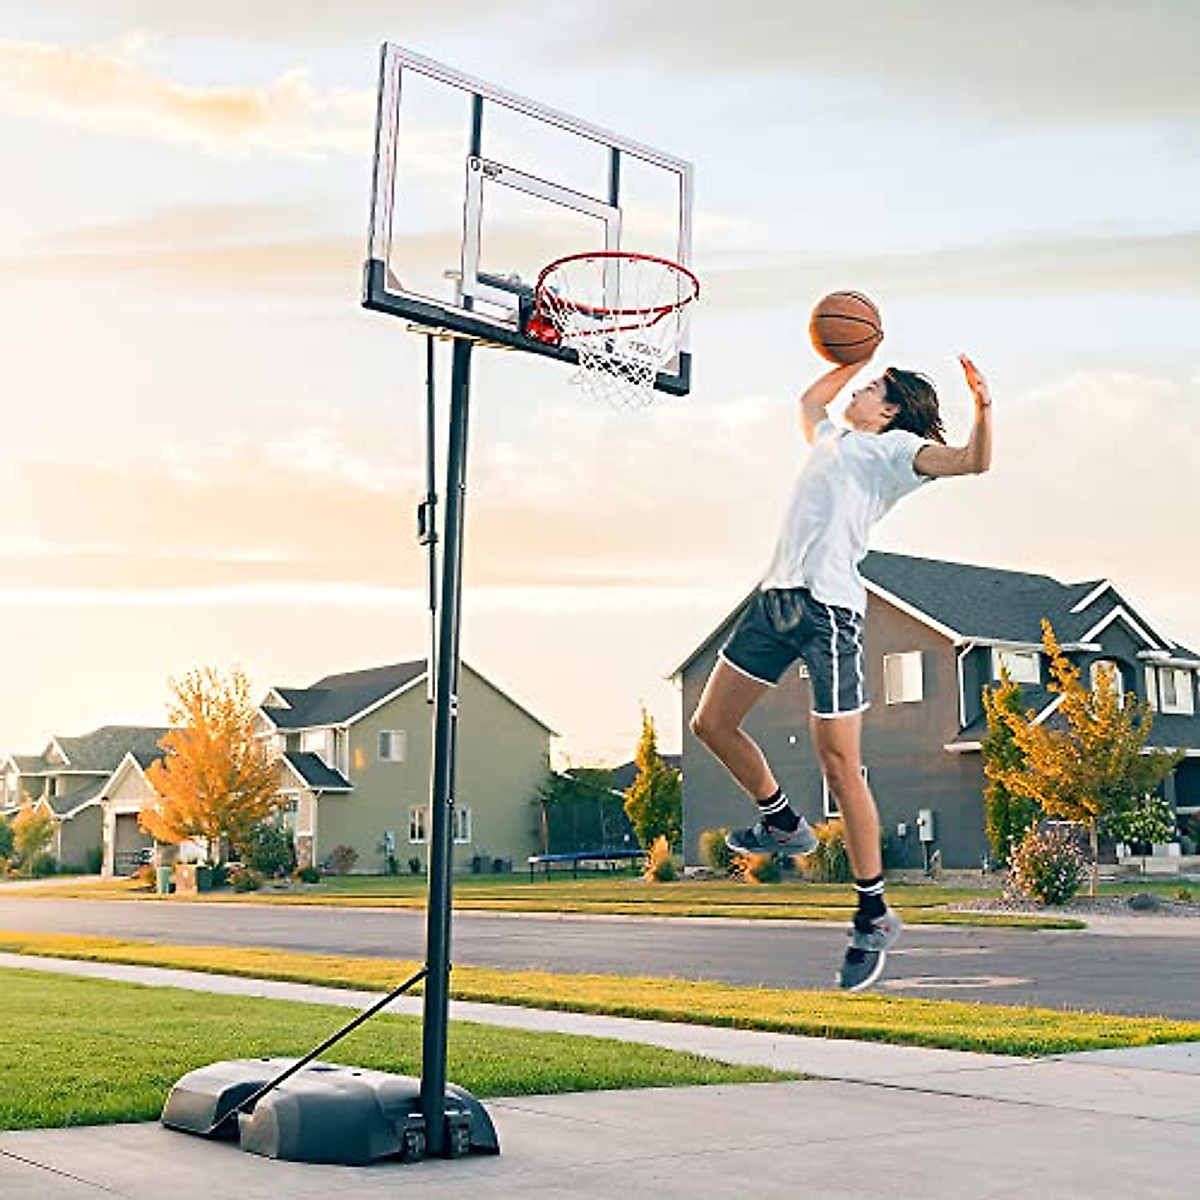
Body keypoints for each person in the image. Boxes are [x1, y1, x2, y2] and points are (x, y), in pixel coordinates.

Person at [689, 352, 993, 990]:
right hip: (774, 602)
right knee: (711, 723)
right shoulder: (829, 436)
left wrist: (983, 407)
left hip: (828, 612)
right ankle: (782, 822)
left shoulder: (895, 453)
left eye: (872, 386)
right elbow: (808, 402)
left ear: (890, 410)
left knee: (838, 761)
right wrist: (852, 355)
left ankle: (873, 912)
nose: (858, 389)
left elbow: (972, 461)